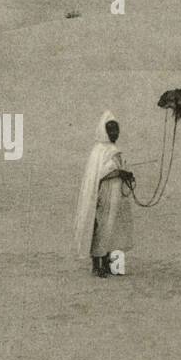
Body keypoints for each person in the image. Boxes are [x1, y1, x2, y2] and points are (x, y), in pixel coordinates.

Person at [74, 110, 135, 277]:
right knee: (101, 227)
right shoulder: (99, 151)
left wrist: (126, 174)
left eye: (116, 129)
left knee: (112, 228)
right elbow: (101, 174)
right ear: (104, 131)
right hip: (104, 194)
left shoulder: (114, 149)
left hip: (116, 195)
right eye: (111, 130)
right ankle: (97, 265)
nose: (115, 133)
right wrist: (120, 173)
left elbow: (119, 168)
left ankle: (107, 263)